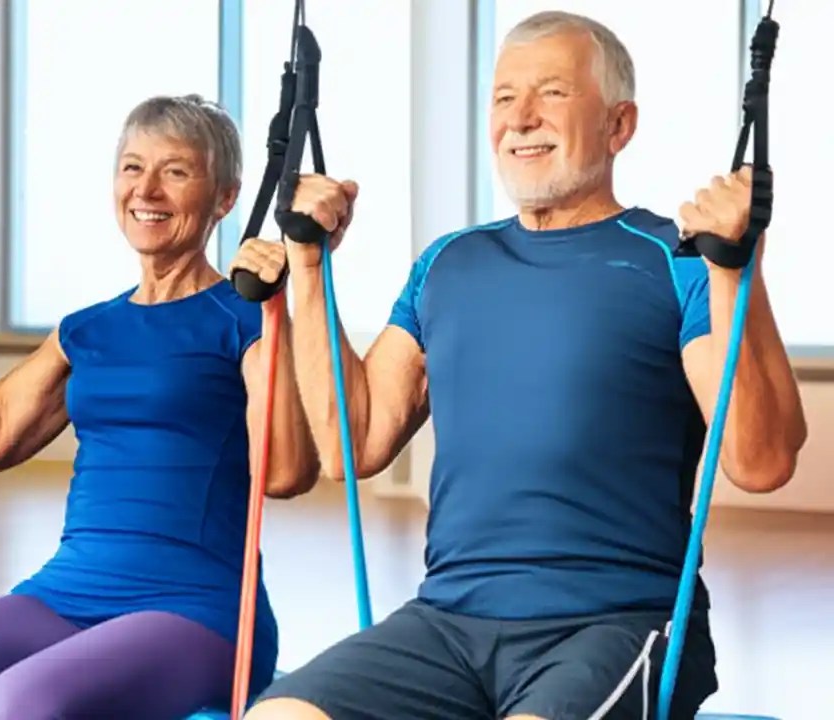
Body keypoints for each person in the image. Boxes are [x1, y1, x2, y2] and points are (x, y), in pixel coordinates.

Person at [245, 11, 807, 720]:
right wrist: (306, 263)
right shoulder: (448, 264)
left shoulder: (678, 261)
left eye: (553, 94)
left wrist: (736, 272)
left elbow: (762, 462)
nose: (522, 119)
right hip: (446, 624)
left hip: (614, 622)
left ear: (619, 125)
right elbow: (351, 445)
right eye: (505, 98)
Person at [0, 94, 321, 720]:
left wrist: (277, 312)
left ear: (224, 198)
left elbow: (285, 475)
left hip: (196, 607)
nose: (147, 188)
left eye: (176, 171)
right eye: (132, 167)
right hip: (68, 591)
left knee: (20, 706)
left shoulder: (243, 319)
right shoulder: (85, 331)